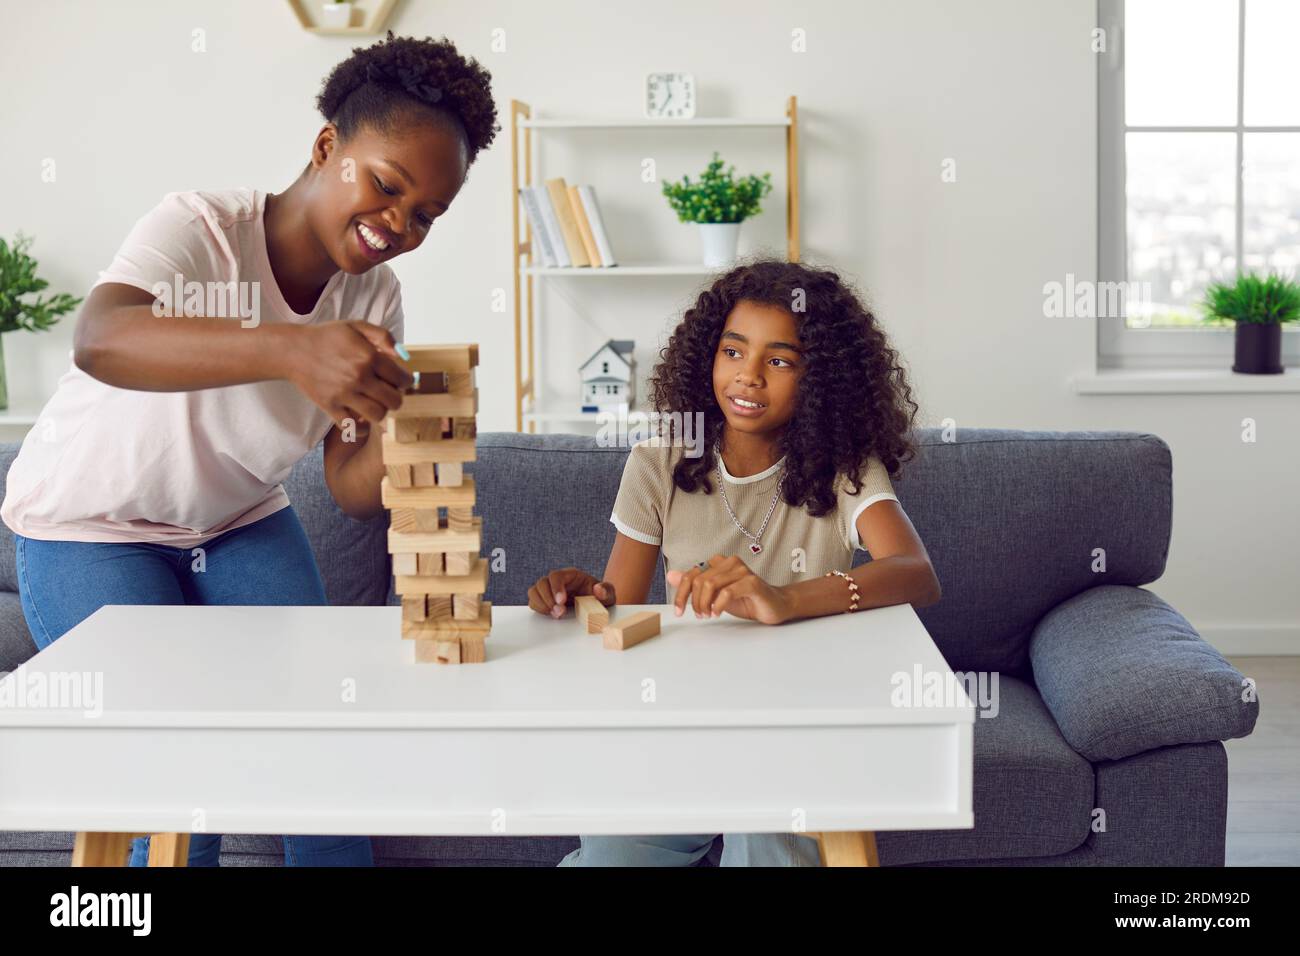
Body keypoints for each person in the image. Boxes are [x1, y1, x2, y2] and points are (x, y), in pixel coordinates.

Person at [1, 31, 500, 866]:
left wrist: (410, 428)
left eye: (426, 215)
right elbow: (101, 339)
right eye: (385, 186)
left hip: (234, 523)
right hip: (89, 527)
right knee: (180, 770)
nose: (398, 225)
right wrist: (291, 348)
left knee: (321, 737)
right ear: (326, 146)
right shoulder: (199, 227)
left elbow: (346, 484)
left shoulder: (376, 294)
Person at [527, 258, 942, 866]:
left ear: (820, 377)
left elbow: (915, 572)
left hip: (795, 722)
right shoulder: (659, 459)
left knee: (768, 832)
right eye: (732, 352)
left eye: (779, 361)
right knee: (612, 854)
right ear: (708, 358)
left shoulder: (845, 467)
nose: (748, 377)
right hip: (680, 721)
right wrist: (583, 594)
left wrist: (784, 599)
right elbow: (620, 600)